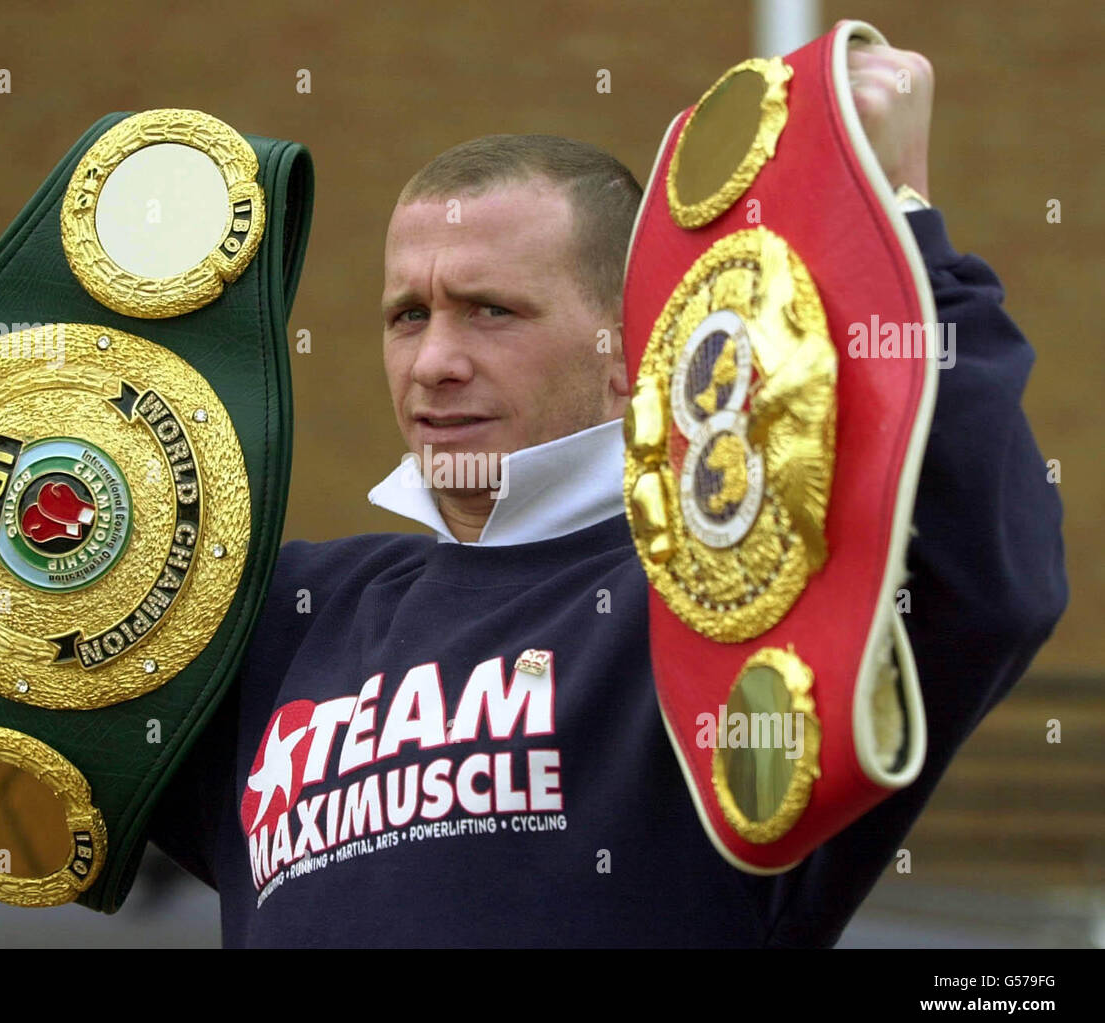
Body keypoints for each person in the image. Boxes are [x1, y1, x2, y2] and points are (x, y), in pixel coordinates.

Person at [149, 43, 1067, 947]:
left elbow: (983, 581)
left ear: (629, 351)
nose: (434, 362)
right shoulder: (284, 616)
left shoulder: (723, 587)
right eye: (409, 315)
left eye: (491, 310)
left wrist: (895, 217)